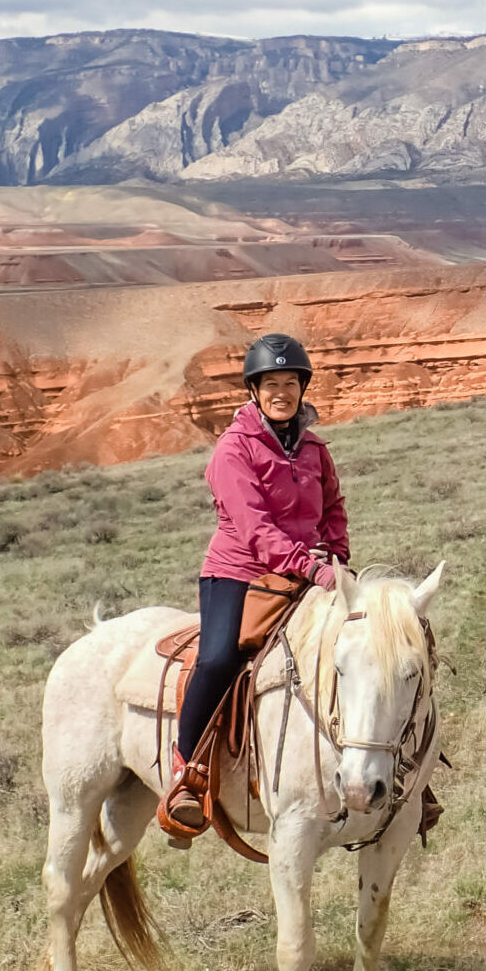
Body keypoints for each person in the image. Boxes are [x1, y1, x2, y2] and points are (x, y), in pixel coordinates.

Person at [160, 333, 348, 833]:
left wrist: (338, 553)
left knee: (356, 646)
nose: (281, 392)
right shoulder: (233, 450)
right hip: (238, 572)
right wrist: (311, 568)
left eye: (291, 382)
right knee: (220, 656)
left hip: (303, 570)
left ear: (303, 388)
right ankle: (187, 770)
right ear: (254, 391)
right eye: (271, 384)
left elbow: (333, 506)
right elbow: (255, 528)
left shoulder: (313, 447)